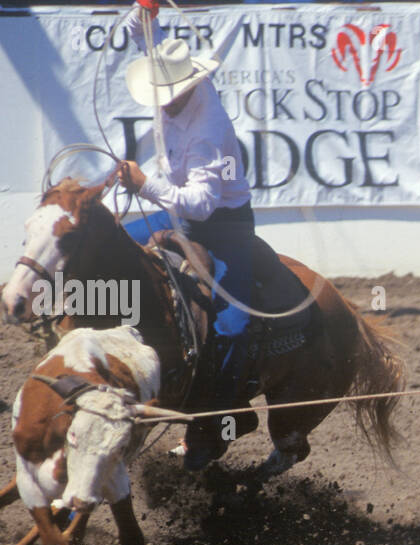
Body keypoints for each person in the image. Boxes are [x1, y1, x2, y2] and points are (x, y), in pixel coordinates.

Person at [114, 1, 255, 471]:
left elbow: (201, 204)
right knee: (113, 244)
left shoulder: (207, 129)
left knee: (233, 324)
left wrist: (144, 186)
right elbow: (140, 34)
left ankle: (219, 421)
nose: (160, 98)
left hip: (225, 229)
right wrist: (144, 10)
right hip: (182, 219)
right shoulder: (173, 90)